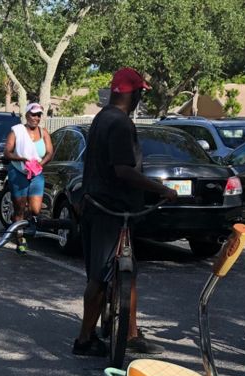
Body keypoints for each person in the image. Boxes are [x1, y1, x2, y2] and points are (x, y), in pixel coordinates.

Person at [73, 67, 176, 357]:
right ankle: (84, 338)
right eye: (141, 93)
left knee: (115, 273)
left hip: (96, 205)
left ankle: (128, 332)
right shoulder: (120, 123)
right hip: (111, 210)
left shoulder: (101, 118)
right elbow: (123, 170)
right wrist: (161, 189)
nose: (141, 98)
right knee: (100, 277)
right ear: (133, 94)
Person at [3, 102, 54, 254]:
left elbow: (50, 152)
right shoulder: (17, 131)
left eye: (39, 115)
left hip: (36, 174)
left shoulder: (43, 132)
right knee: (19, 208)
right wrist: (22, 159)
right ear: (26, 115)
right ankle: (20, 239)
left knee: (35, 209)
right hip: (19, 172)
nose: (36, 118)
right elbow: (7, 152)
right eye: (33, 114)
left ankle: (20, 221)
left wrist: (41, 164)